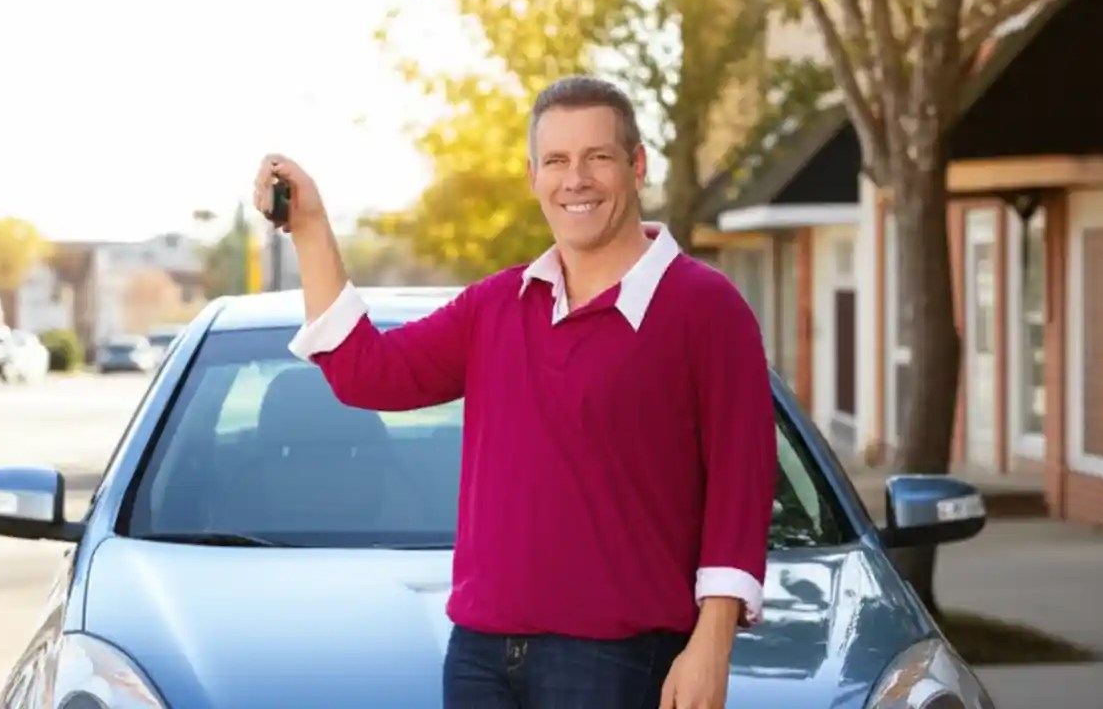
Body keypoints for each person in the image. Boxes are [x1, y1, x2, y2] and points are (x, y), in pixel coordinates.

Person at [253, 74, 776, 709]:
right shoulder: (497, 305)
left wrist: (712, 643)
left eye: (597, 158)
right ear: (534, 177)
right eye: (556, 160)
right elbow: (368, 372)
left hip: (618, 662)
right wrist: (310, 225)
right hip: (479, 655)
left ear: (636, 166)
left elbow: (740, 485)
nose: (574, 179)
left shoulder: (705, 307)